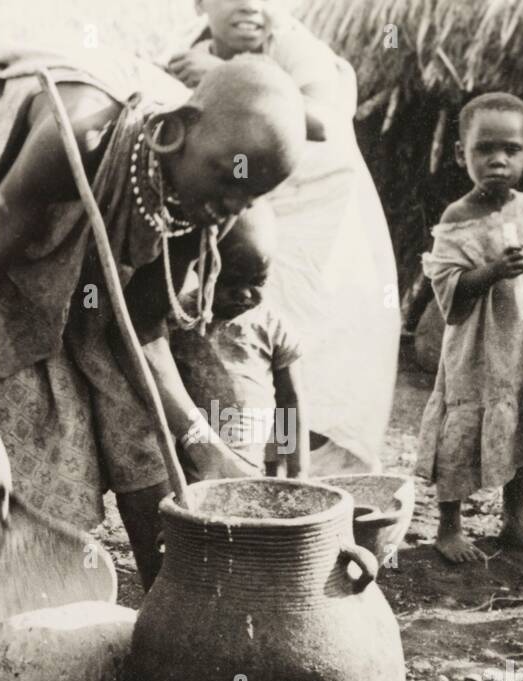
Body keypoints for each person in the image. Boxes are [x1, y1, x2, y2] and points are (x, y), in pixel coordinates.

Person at [0, 47, 308, 610]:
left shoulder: (190, 201)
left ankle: (170, 609)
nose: (231, 207)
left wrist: (202, 442)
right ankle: (27, 593)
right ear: (174, 133)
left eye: (251, 197)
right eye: (229, 181)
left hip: (104, 208)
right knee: (22, 399)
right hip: (0, 209)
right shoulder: (72, 137)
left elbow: (140, 333)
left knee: (132, 404)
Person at [165, 0, 400, 474]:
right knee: (228, 353)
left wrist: (223, 77)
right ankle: (228, 461)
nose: (250, 5)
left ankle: (294, 472)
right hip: (239, 213)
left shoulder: (294, 47)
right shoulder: (185, 52)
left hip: (312, 222)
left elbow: (323, 121)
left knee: (297, 353)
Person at [415, 93, 523, 563]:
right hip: (477, 353)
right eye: (484, 150)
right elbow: (449, 290)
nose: (497, 160)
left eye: (510, 150)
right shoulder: (457, 217)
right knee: (463, 432)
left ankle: (514, 522)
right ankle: (449, 526)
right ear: (460, 154)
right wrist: (489, 272)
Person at [169, 201, 308, 479]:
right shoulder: (179, 319)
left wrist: (296, 471)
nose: (245, 295)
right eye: (231, 281)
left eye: (258, 282)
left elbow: (289, 400)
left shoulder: (272, 325)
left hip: (253, 463)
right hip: (192, 467)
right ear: (201, 268)